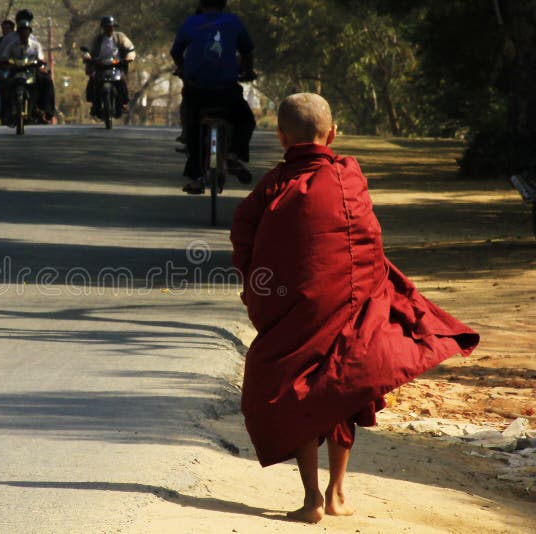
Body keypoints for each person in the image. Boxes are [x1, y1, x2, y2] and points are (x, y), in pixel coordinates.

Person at [230, 93, 480, 523]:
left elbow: (245, 241)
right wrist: (372, 287)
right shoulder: (349, 176)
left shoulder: (271, 187)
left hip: (295, 311)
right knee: (344, 382)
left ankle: (311, 500)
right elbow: (368, 240)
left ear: (281, 137)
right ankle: (337, 494)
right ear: (334, 133)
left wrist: (261, 290)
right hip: (351, 303)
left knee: (295, 384)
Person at [170, 0, 256, 194]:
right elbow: (247, 50)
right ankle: (234, 154)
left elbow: (176, 52)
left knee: (192, 131)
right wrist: (248, 71)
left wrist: (184, 69)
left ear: (201, 3)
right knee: (246, 120)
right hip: (227, 91)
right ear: (224, 3)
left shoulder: (190, 22)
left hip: (197, 91)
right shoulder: (234, 21)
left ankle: (197, 178)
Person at [0, 18, 56, 123]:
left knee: (47, 80)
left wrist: (40, 63)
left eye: (26, 31)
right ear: (18, 32)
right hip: (15, 71)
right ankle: (2, 109)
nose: (24, 33)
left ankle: (47, 111)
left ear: (29, 32)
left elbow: (41, 58)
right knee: (2, 83)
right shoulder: (12, 44)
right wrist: (5, 62)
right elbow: (4, 56)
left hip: (31, 71)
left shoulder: (35, 46)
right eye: (21, 31)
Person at [83, 16, 135, 115]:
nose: (109, 29)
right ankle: (94, 104)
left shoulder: (120, 37)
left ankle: (124, 103)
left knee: (122, 81)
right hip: (100, 65)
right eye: (107, 27)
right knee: (93, 80)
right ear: (103, 27)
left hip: (116, 64)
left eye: (111, 27)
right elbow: (89, 50)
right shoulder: (98, 39)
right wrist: (87, 56)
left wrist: (129, 57)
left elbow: (130, 49)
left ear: (114, 27)